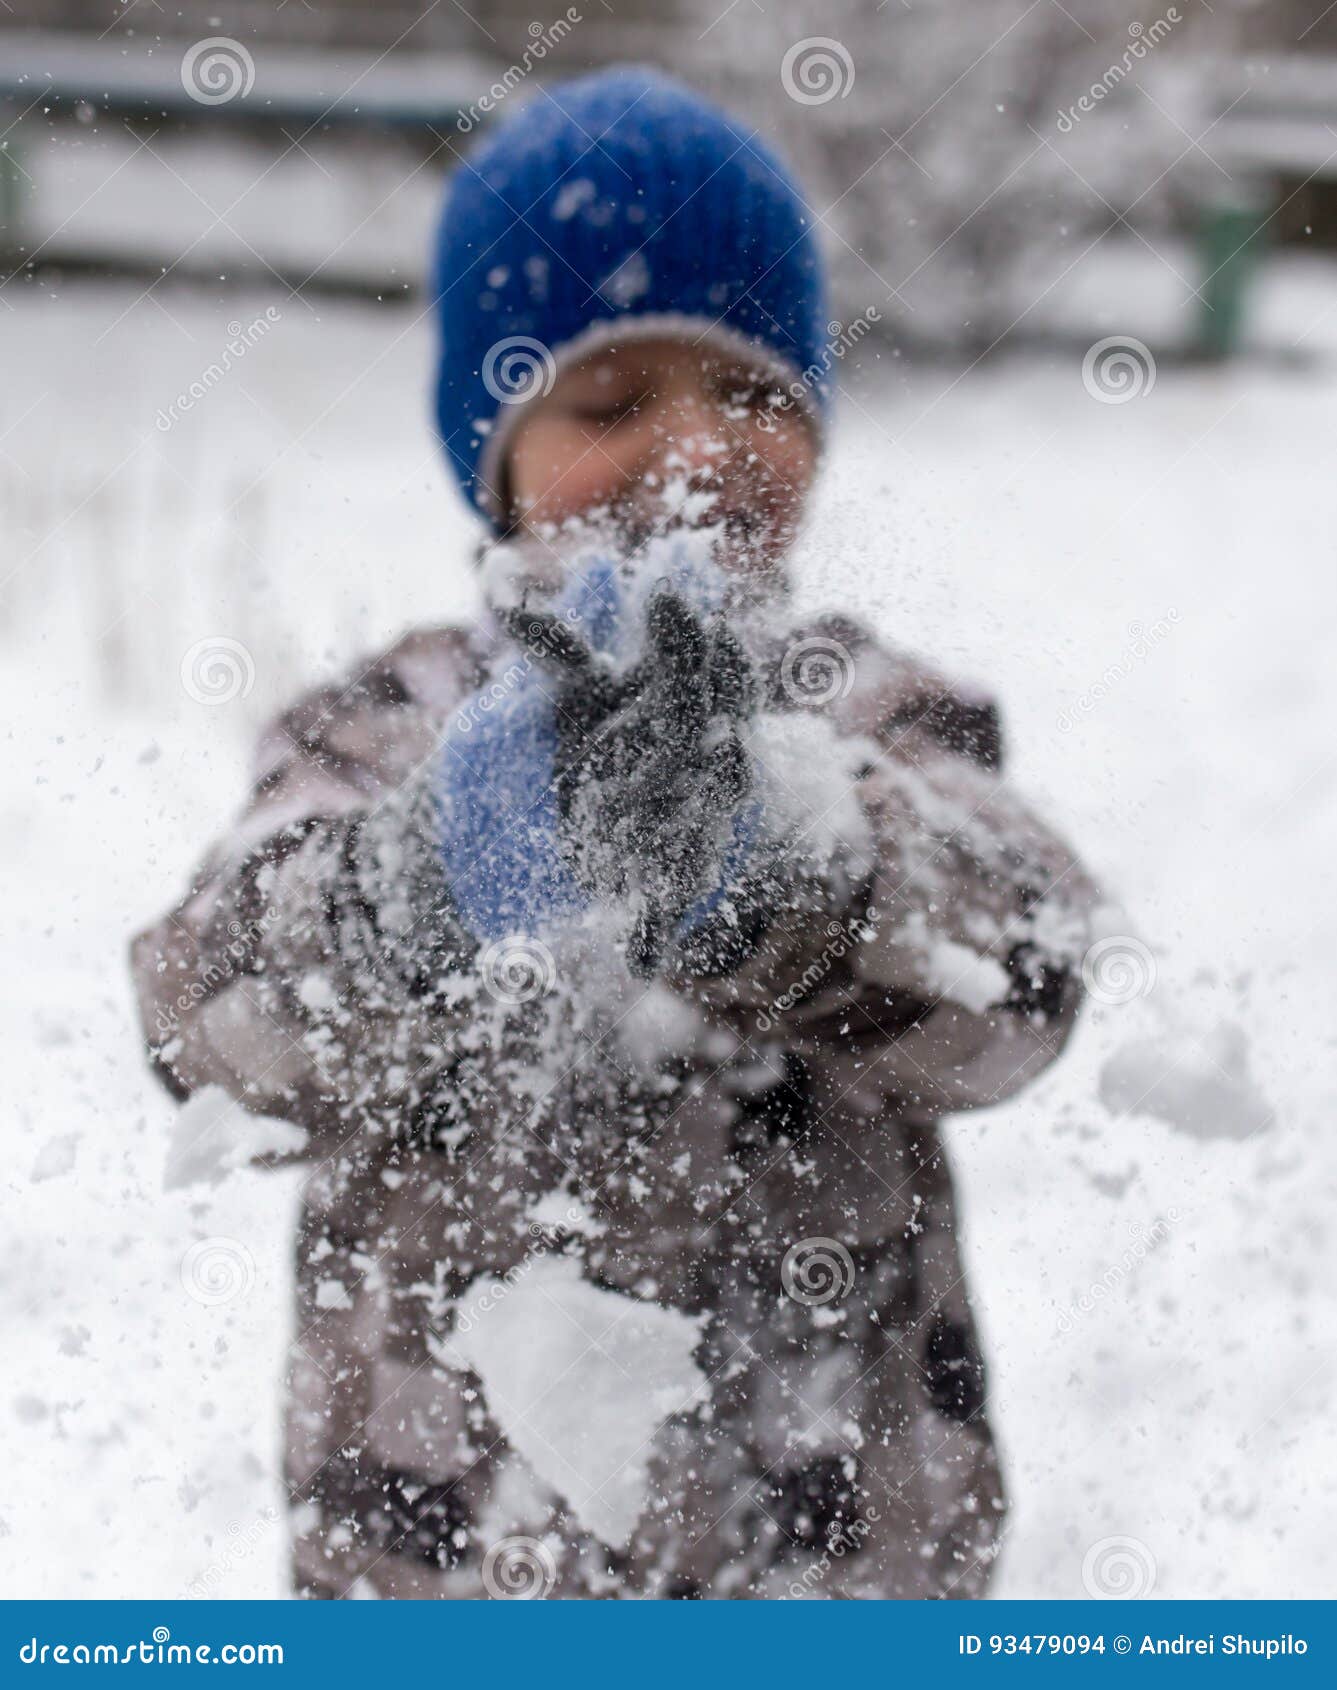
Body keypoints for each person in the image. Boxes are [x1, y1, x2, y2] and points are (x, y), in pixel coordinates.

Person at [131, 66, 1098, 1600]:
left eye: (752, 392)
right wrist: (415, 887)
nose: (696, 446)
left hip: (833, 1555)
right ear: (495, 451)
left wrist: (783, 868)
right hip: (450, 1557)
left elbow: (1023, 981)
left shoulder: (870, 717)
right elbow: (205, 1031)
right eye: (608, 400)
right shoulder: (387, 729)